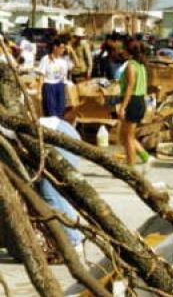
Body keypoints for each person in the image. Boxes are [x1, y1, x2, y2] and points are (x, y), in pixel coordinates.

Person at [38, 116, 84, 254]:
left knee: (50, 192)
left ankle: (74, 241)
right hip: (58, 131)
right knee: (53, 192)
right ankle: (71, 237)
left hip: (57, 134)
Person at [119, 40, 154, 170]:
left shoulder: (131, 65)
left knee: (128, 137)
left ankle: (130, 165)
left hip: (133, 100)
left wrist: (123, 105)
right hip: (140, 100)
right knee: (127, 135)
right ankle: (145, 156)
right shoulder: (142, 65)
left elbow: (130, 86)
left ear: (128, 51)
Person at [38, 38, 70, 118]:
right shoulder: (46, 59)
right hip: (49, 86)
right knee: (51, 111)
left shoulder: (64, 60)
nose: (63, 50)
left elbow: (65, 77)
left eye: (64, 48)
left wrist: (65, 90)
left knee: (61, 109)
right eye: (62, 48)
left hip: (60, 86)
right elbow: (42, 76)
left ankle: (59, 129)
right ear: (55, 47)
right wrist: (39, 92)